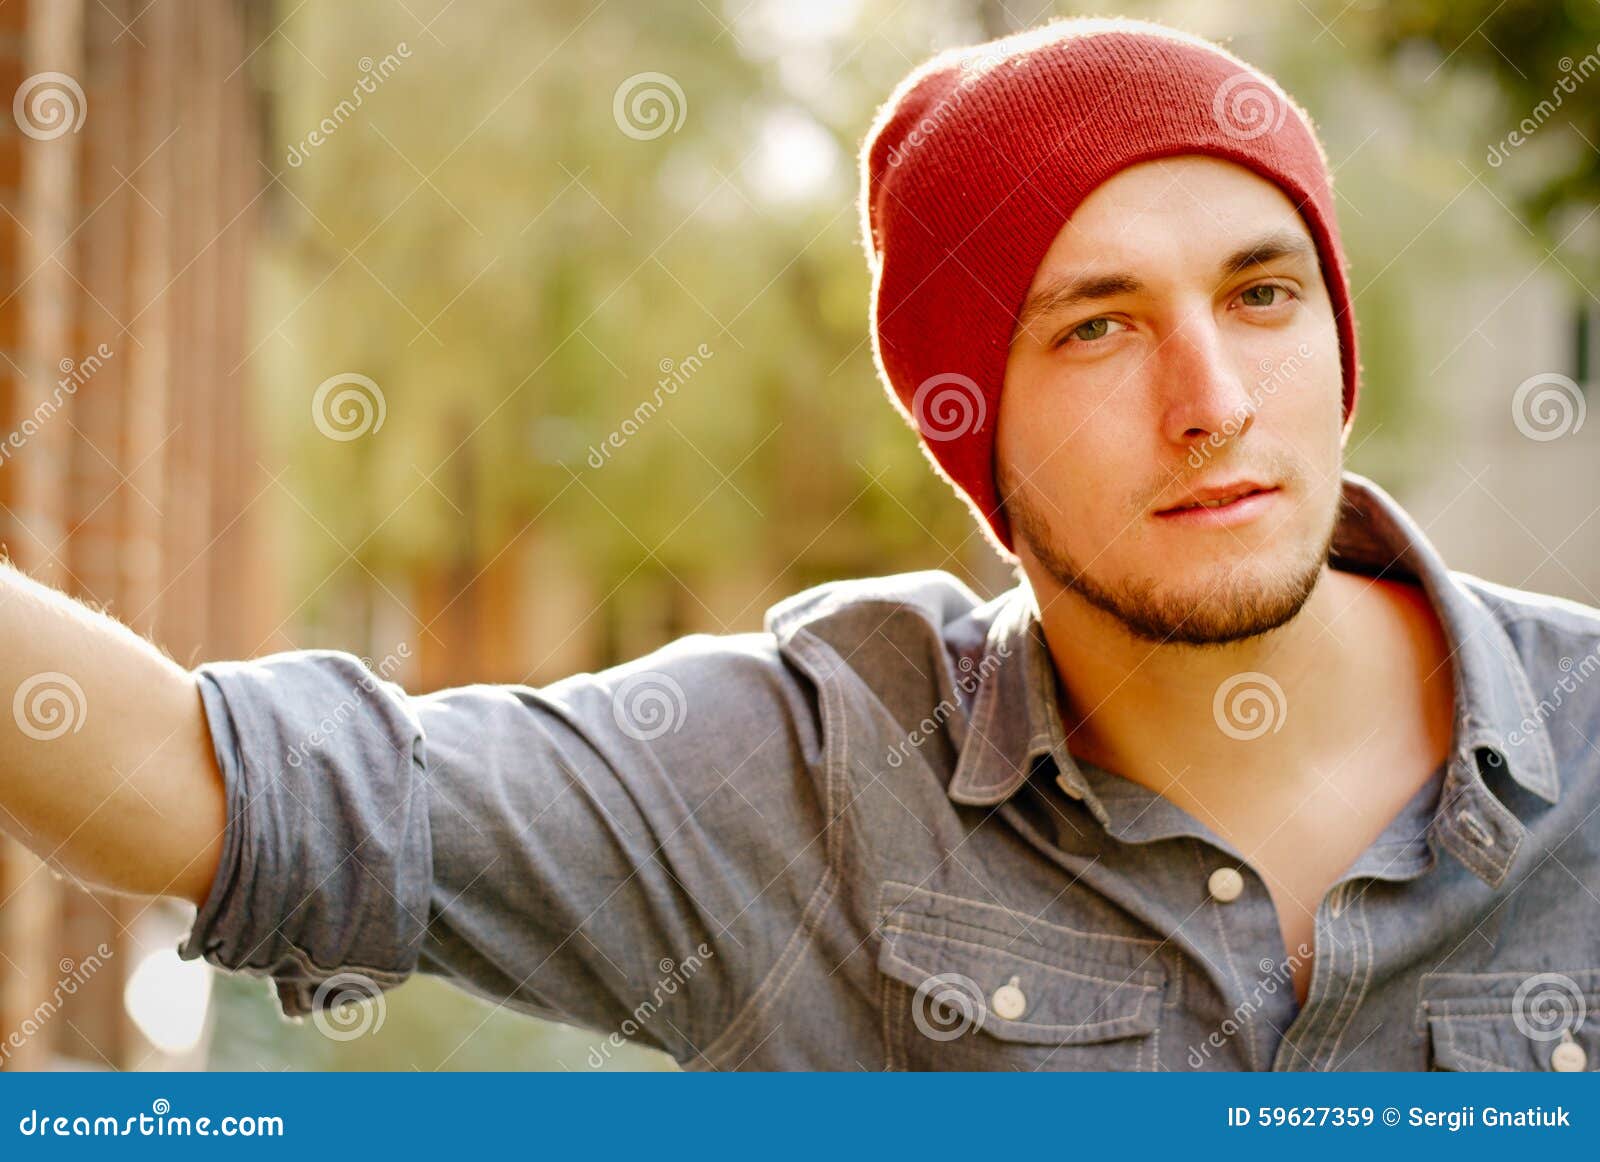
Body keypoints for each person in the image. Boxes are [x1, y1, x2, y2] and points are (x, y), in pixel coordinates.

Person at [3, 15, 1597, 1073]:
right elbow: (199, 780)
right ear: (975, 431)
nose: (1214, 402)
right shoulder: (822, 780)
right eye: (1098, 327)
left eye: (1262, 295)